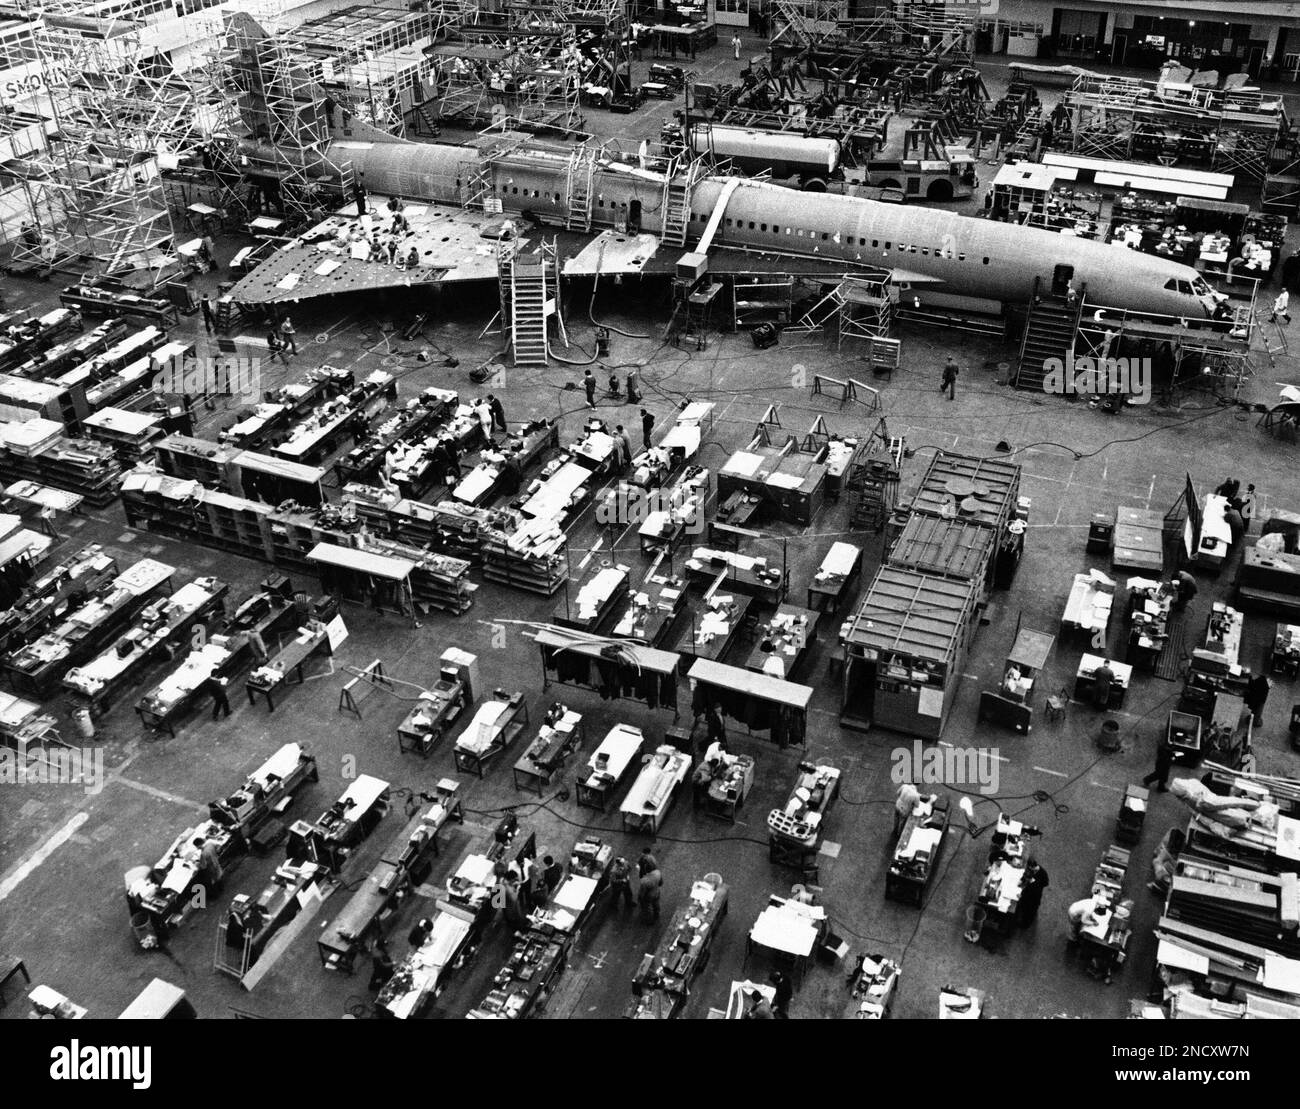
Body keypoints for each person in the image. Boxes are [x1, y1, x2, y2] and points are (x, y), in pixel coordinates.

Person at [1016, 859, 1049, 927]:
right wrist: (1022, 880)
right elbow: (1027, 874)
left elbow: (1045, 883)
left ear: (1032, 867)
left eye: (1030, 868)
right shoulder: (1032, 869)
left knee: (1029, 911)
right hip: (1030, 891)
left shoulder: (1042, 874)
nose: (1029, 870)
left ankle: (1025, 924)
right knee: (1026, 907)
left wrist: (1021, 896)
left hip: (1033, 897)